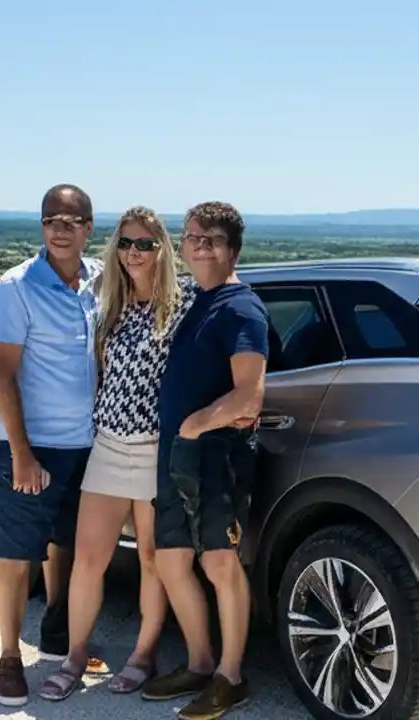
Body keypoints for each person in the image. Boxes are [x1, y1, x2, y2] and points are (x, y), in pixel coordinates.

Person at [37, 206, 198, 701]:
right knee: (88, 558)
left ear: (162, 249)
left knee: (151, 560)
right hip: (108, 445)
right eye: (126, 243)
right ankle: (75, 654)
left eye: (145, 244)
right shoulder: (111, 300)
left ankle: (142, 656)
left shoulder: (185, 299)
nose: (134, 252)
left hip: (154, 450)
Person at [141, 201, 268, 719]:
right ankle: (198, 662)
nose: (198, 245)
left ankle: (230, 677)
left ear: (232, 248)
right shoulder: (199, 300)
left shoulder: (242, 308)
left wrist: (195, 425)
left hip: (217, 454)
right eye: (192, 236)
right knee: (170, 560)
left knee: (219, 562)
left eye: (211, 238)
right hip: (179, 454)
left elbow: (249, 397)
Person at [0, 183, 102, 708]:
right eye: (51, 219)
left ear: (88, 228)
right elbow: (4, 376)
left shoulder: (102, 280)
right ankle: (10, 659)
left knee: (70, 549)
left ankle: (60, 640)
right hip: (33, 447)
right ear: (41, 227)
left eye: (71, 220)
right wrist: (23, 454)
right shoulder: (16, 287)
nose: (60, 228)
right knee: (15, 556)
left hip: (90, 447)